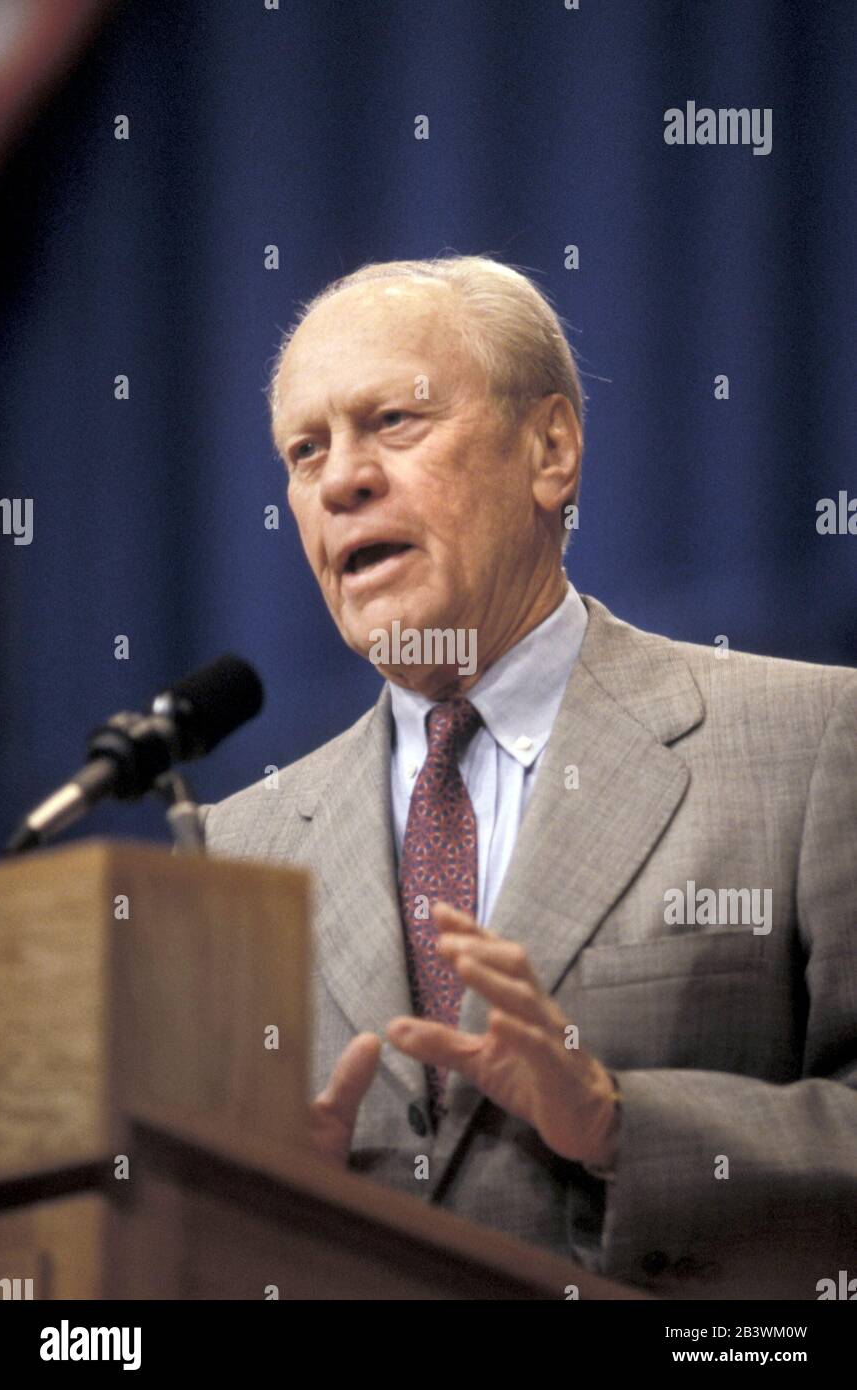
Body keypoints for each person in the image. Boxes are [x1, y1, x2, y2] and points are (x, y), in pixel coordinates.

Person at [203, 255, 857, 1298]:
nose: (340, 480)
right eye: (305, 449)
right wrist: (248, 1222)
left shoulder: (814, 740)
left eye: (394, 422)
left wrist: (615, 1122)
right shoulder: (237, 850)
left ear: (550, 451)